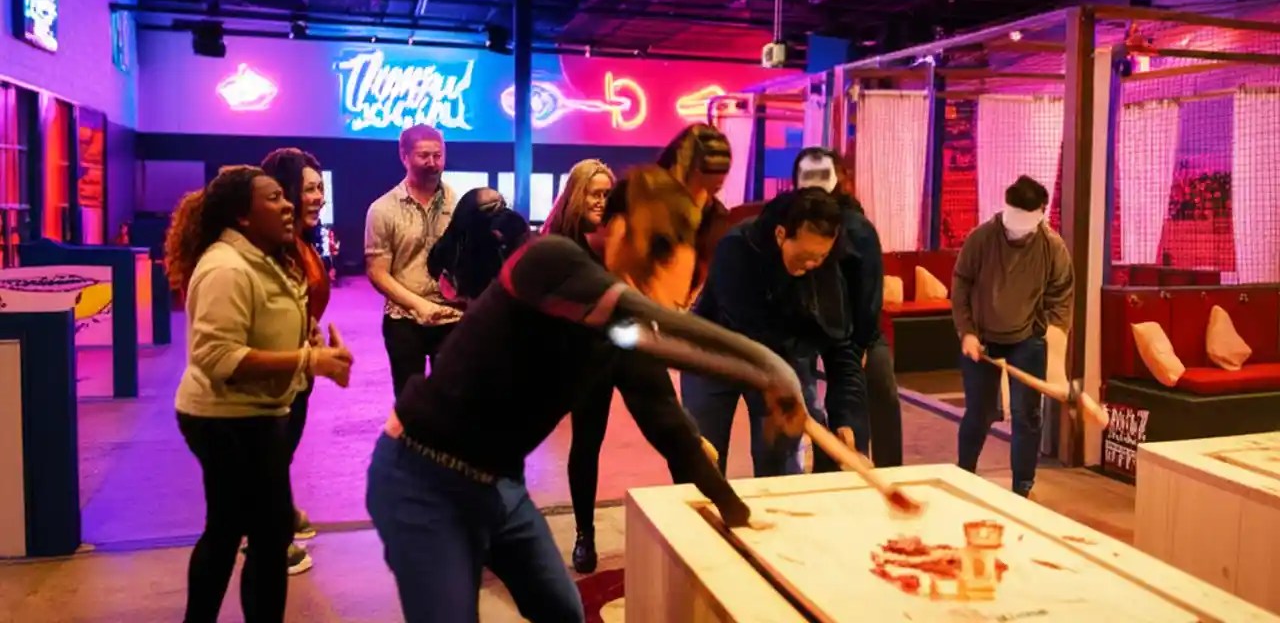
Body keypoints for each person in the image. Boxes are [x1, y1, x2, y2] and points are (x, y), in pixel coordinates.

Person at [365, 166, 805, 623]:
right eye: (657, 251)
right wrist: (770, 370)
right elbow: (651, 318)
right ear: (620, 230)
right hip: (422, 476)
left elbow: (669, 425)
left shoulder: (620, 327)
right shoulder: (549, 260)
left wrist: (735, 512)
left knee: (563, 612)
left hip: (498, 484)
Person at [164, 165, 352, 623]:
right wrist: (308, 361)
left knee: (249, 529)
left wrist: (306, 336)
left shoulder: (265, 257)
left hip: (258, 413)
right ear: (242, 216)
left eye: (286, 197)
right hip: (224, 419)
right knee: (253, 531)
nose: (288, 205)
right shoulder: (225, 268)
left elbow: (265, 320)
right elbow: (217, 357)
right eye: (274, 198)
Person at [681, 187, 864, 477]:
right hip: (714, 350)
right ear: (781, 235)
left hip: (781, 352)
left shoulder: (826, 263)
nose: (812, 265)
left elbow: (840, 341)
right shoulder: (737, 250)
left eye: (820, 257)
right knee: (702, 458)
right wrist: (788, 390)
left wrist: (845, 414)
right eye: (804, 255)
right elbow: (752, 332)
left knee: (779, 459)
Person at [952, 174, 1074, 498]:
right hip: (982, 337)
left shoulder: (1052, 247)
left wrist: (1056, 359)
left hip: (1027, 338)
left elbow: (1061, 300)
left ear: (1041, 214)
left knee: (1027, 415)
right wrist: (967, 332)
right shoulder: (982, 239)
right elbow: (961, 284)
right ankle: (963, 475)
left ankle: (1023, 487)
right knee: (979, 412)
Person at [792, 147, 902, 467]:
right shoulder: (787, 220)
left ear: (840, 179)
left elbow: (869, 292)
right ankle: (828, 464)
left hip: (855, 326)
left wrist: (861, 343)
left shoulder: (858, 228)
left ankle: (884, 468)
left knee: (878, 388)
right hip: (802, 326)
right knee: (803, 399)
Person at [540, 160, 620, 572]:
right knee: (521, 441)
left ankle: (585, 534)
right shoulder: (555, 242)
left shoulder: (616, 238)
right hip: (557, 359)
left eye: (607, 194)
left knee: (588, 446)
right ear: (576, 195)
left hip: (601, 358)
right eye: (595, 194)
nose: (601, 202)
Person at [260, 147, 330, 571]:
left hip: (298, 363)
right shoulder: (269, 250)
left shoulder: (297, 244)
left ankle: (278, 516)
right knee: (269, 456)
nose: (318, 197)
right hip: (277, 370)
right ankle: (270, 542)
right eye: (309, 190)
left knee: (279, 454)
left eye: (320, 188)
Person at [365, 124, 461, 398]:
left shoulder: (459, 205)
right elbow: (377, 272)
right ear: (404, 156)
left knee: (454, 400)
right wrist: (419, 305)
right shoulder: (382, 209)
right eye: (424, 156)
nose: (432, 163)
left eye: (438, 155)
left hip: (452, 317)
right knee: (410, 401)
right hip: (404, 320)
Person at [655, 123, 733, 304]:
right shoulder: (641, 210)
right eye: (700, 188)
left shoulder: (718, 221)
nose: (704, 198)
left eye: (714, 190)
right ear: (677, 172)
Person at [428, 187, 531, 303]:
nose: (500, 211)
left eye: (502, 204)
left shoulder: (512, 227)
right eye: (491, 208)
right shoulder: (450, 249)